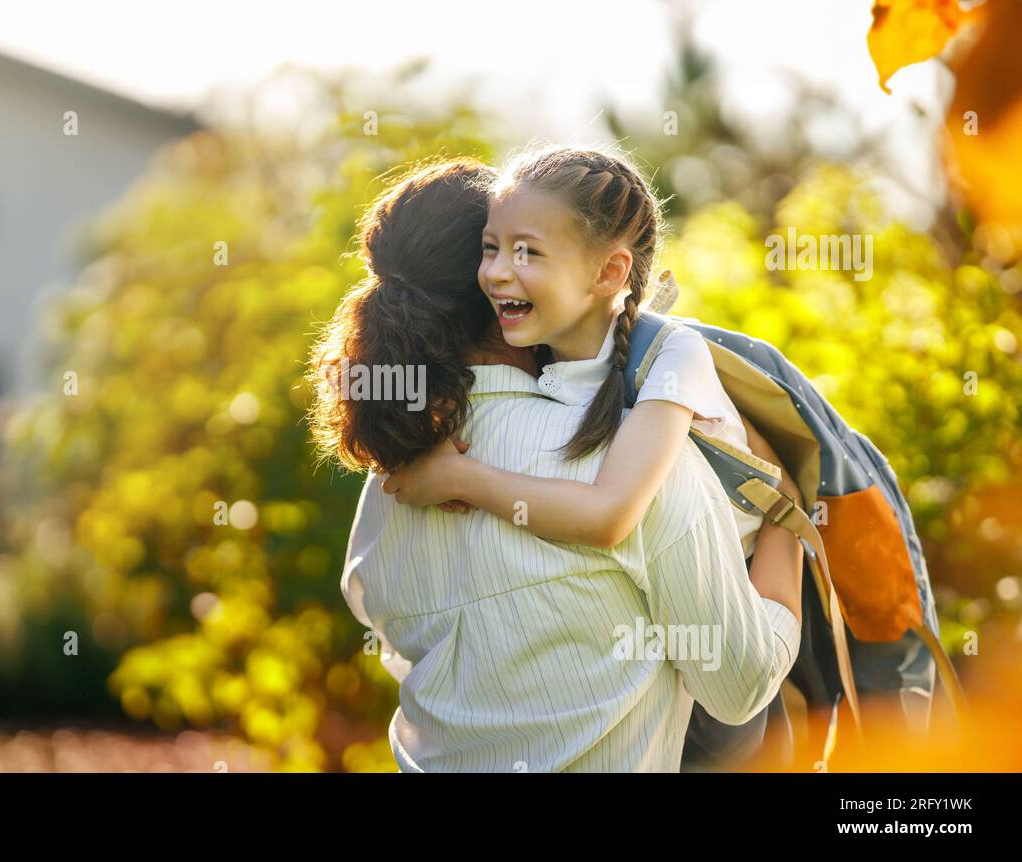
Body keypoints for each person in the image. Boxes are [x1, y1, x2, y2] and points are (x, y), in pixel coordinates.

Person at [308, 157, 803, 771]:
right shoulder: (640, 463)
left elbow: (397, 641)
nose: (505, 269)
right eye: (495, 248)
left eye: (527, 251)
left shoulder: (395, 483)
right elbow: (741, 686)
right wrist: (787, 517)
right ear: (486, 284)